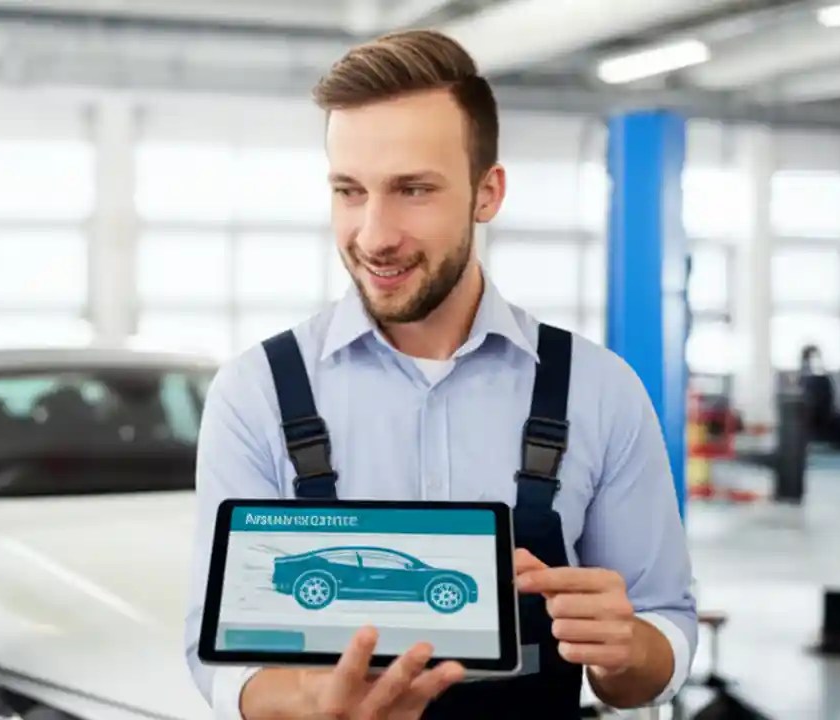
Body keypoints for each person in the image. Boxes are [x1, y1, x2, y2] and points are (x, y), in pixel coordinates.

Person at [183, 30, 697, 719]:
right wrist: (310, 702)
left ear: (488, 193)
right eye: (349, 191)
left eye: (413, 190)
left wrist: (628, 650)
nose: (374, 234)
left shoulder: (598, 391)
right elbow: (224, 663)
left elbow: (663, 625)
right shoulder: (256, 393)